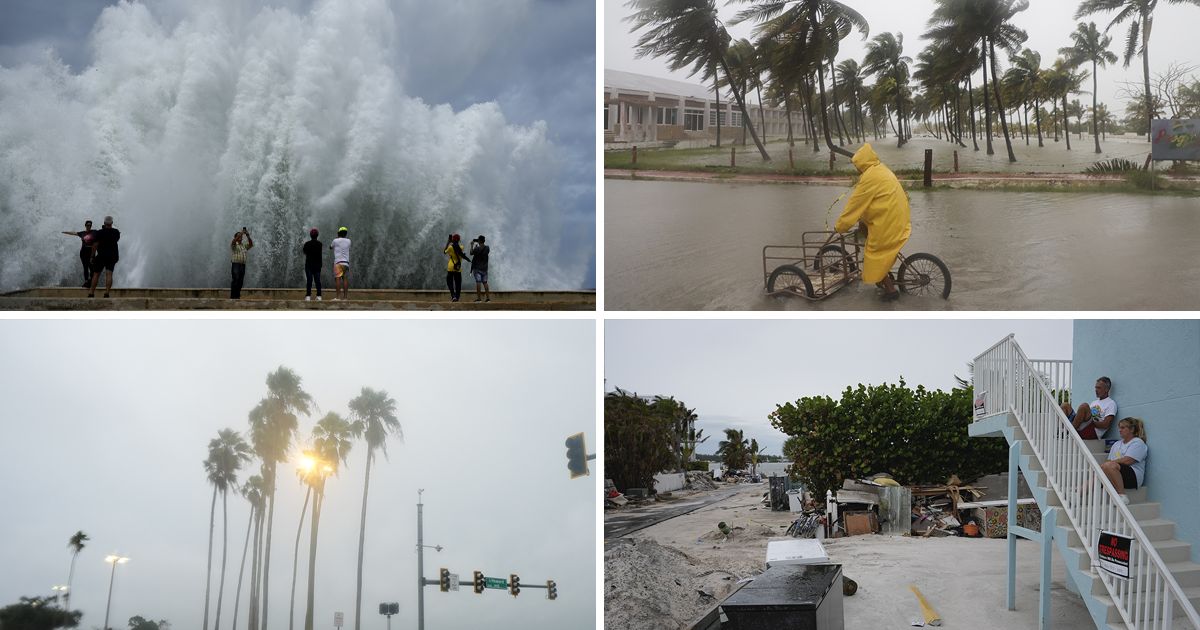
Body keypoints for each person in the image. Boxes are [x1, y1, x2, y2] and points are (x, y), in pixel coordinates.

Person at [834, 143, 911, 301]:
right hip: (899, 218)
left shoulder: (869, 178)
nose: (857, 169)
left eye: (857, 166)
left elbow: (854, 206)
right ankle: (884, 274)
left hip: (889, 223)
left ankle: (890, 290)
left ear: (862, 163)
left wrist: (840, 227)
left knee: (873, 255)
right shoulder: (881, 169)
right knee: (866, 230)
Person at [1100, 417, 1147, 504]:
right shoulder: (1117, 444)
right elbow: (1109, 460)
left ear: (1132, 429)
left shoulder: (1138, 442)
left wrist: (1109, 464)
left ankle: (1122, 496)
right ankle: (1079, 492)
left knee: (1108, 466)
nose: (1119, 430)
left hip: (1133, 477)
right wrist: (1106, 466)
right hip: (1116, 474)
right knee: (1099, 471)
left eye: (1123, 428)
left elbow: (1128, 461)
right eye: (1119, 428)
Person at [88, 216, 121, 298]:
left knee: (96, 274)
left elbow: (95, 245)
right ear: (112, 223)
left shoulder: (99, 232)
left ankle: (91, 293)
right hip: (112, 256)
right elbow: (116, 239)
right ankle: (106, 293)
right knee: (109, 274)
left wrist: (92, 256)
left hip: (101, 256)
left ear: (104, 223)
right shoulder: (116, 232)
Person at [61, 220, 96, 287]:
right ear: (85, 225)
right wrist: (65, 232)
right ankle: (86, 281)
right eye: (87, 225)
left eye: (90, 225)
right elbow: (74, 233)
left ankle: (91, 281)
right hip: (83, 252)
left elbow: (102, 233)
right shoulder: (82, 233)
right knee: (85, 267)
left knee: (92, 268)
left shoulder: (94, 232)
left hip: (91, 252)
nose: (89, 226)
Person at [443, 233, 470, 302]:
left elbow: (444, 252)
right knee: (458, 283)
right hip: (458, 268)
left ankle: (453, 296)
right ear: (459, 240)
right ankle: (457, 297)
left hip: (450, 267)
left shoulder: (450, 247)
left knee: (450, 282)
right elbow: (459, 249)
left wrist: (448, 242)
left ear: (452, 239)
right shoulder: (461, 247)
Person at [230, 228, 254, 299]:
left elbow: (251, 244)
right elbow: (233, 241)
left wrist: (248, 235)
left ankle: (237, 296)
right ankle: (233, 296)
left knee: (240, 281)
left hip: (242, 265)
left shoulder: (244, 246)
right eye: (239, 236)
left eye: (241, 236)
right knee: (235, 279)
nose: (240, 237)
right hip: (236, 264)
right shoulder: (234, 245)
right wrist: (241, 233)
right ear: (236, 237)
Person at [329, 227, 351, 300]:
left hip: (338, 262)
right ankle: (345, 298)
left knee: (338, 279)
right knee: (345, 279)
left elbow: (330, 247)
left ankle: (338, 297)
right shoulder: (349, 241)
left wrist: (337, 238)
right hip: (346, 263)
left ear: (338, 233)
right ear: (346, 233)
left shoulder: (335, 241)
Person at [302, 228, 323, 301]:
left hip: (309, 265)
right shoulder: (320, 244)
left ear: (310, 235)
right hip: (317, 265)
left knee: (309, 280)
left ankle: (308, 296)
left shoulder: (307, 244)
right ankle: (319, 296)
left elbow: (304, 252)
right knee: (318, 281)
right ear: (317, 235)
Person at [470, 234, 490, 302]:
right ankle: (488, 298)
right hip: (485, 268)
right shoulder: (487, 248)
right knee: (485, 282)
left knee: (478, 282)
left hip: (477, 268)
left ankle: (479, 298)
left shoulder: (477, 248)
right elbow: (485, 253)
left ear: (479, 241)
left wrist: (472, 245)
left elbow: (471, 253)